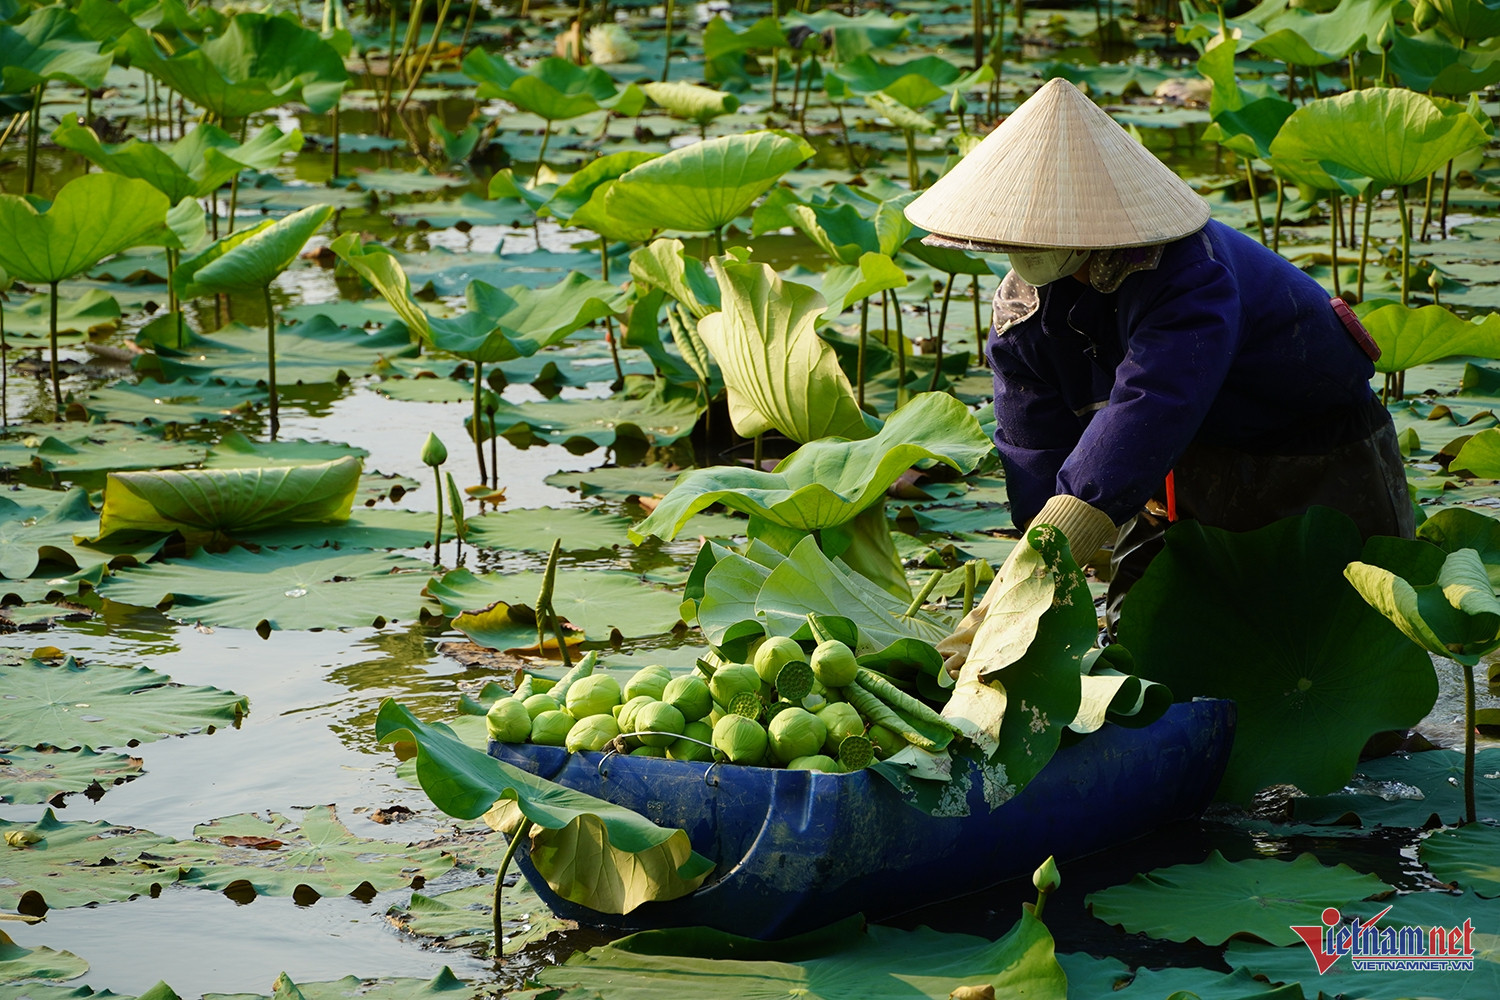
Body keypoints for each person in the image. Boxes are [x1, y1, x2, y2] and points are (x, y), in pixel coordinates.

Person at [903, 78, 1412, 674]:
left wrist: (1070, 527)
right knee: (1145, 658)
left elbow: (1154, 401)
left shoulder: (1188, 274)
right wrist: (1030, 571)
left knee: (1336, 652)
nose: (1023, 247)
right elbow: (1032, 442)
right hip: (1173, 464)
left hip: (1312, 446)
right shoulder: (1021, 315)